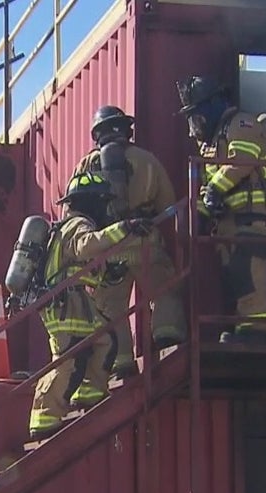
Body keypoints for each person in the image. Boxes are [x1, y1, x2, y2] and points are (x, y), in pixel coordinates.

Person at [29, 171, 153, 440]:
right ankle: (44, 416)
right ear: (91, 202)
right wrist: (125, 228)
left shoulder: (67, 227)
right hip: (65, 305)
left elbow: (81, 265)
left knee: (105, 341)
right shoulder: (78, 223)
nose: (105, 209)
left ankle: (90, 392)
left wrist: (110, 271)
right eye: (103, 202)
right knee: (70, 359)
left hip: (75, 302)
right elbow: (86, 246)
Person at [73, 105, 186, 380]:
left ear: (96, 134)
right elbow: (168, 203)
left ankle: (122, 363)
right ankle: (167, 339)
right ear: (126, 129)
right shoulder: (148, 160)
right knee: (164, 289)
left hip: (109, 248)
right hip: (145, 240)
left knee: (112, 307)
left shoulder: (86, 165)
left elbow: (73, 213)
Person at [176, 75, 266, 344]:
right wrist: (200, 212)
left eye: (196, 115)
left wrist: (214, 190)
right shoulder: (211, 141)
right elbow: (207, 184)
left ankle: (256, 331)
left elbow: (242, 161)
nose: (195, 124)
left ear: (213, 105)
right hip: (231, 219)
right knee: (237, 275)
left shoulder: (241, 123)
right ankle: (245, 325)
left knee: (250, 272)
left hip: (253, 214)